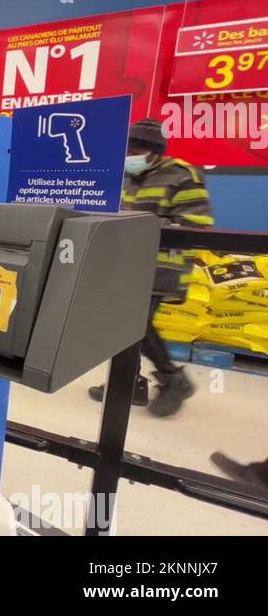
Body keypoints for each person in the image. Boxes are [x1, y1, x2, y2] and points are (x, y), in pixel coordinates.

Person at [88, 118, 214, 417]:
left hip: (161, 267)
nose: (128, 156)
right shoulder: (127, 177)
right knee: (122, 325)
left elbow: (198, 224)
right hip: (127, 265)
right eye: (127, 149)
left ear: (152, 151)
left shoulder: (182, 176)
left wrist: (142, 227)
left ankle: (173, 379)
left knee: (136, 326)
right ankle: (129, 384)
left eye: (134, 150)